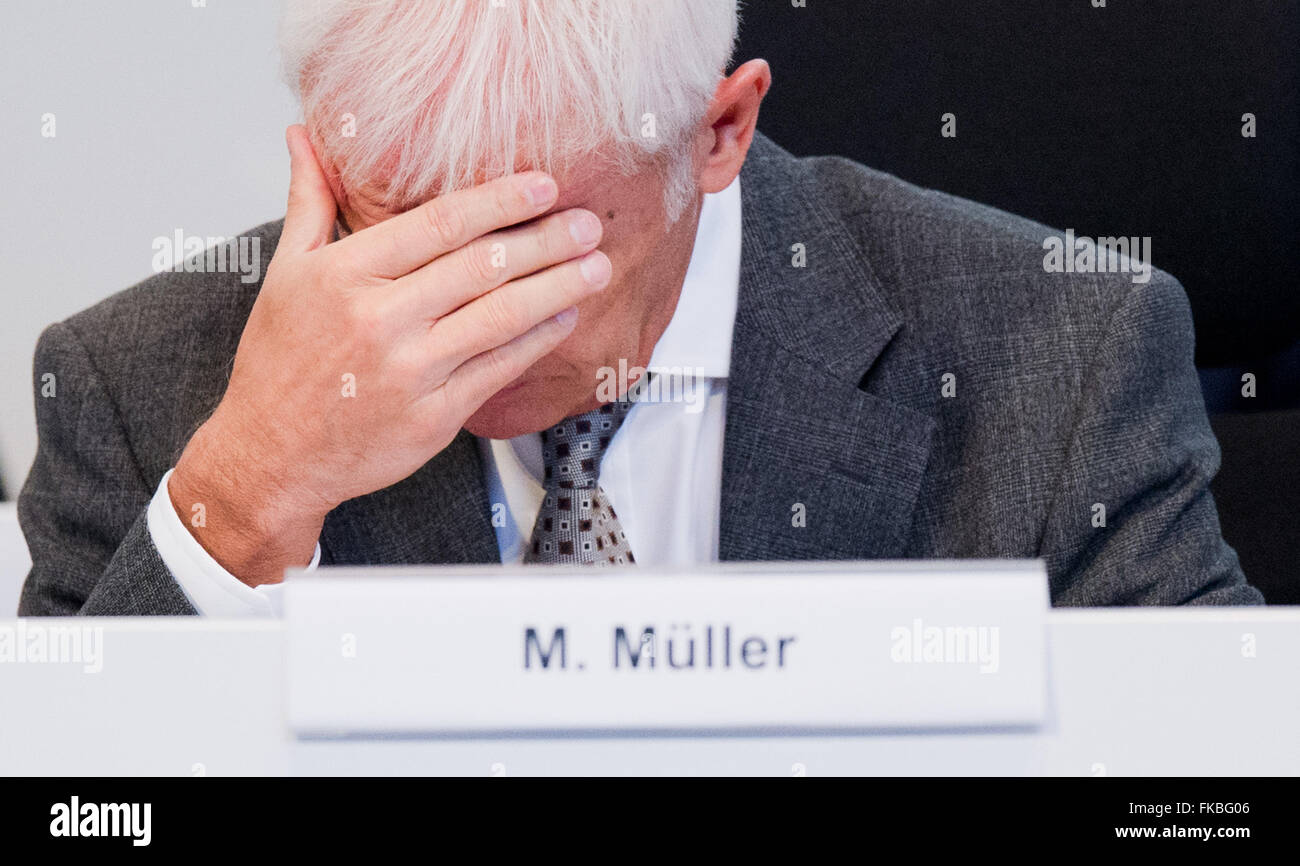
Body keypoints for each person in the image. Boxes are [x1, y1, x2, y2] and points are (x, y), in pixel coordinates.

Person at [17, 0, 1261, 615]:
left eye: (532, 241)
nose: (463, 313)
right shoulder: (139, 389)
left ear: (718, 130)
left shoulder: (1065, 354)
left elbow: (1205, 794)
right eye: (391, 225)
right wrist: (238, 505)